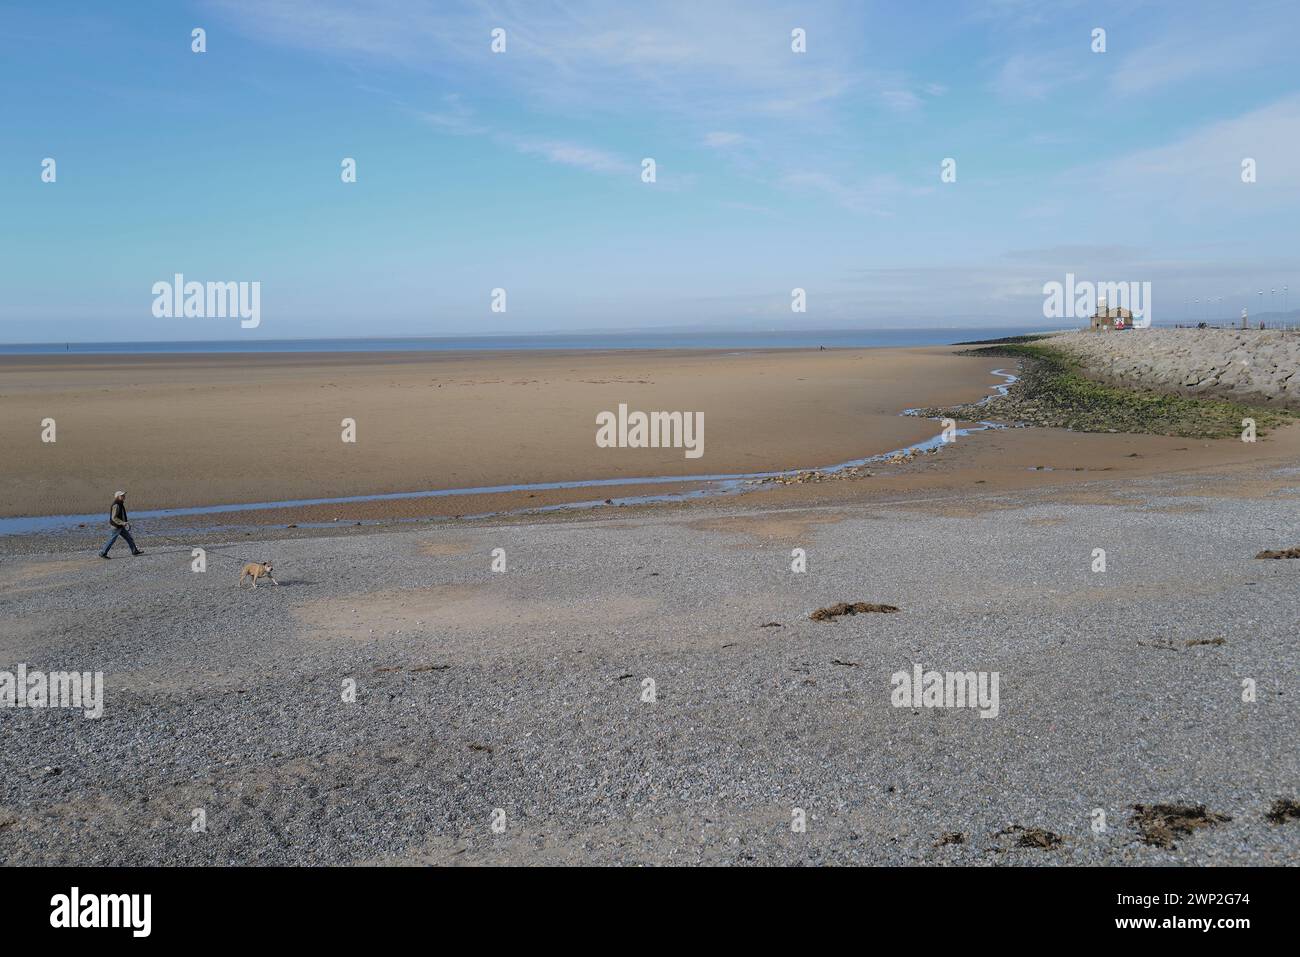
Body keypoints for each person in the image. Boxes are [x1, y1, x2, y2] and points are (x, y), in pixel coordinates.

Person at [99, 490, 144, 558]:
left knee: (129, 538)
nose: (124, 496)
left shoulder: (120, 503)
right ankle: (103, 553)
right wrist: (123, 523)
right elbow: (114, 517)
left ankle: (134, 551)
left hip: (120, 526)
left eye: (124, 495)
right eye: (122, 495)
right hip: (116, 526)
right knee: (112, 540)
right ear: (117, 497)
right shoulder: (116, 505)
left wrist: (124, 523)